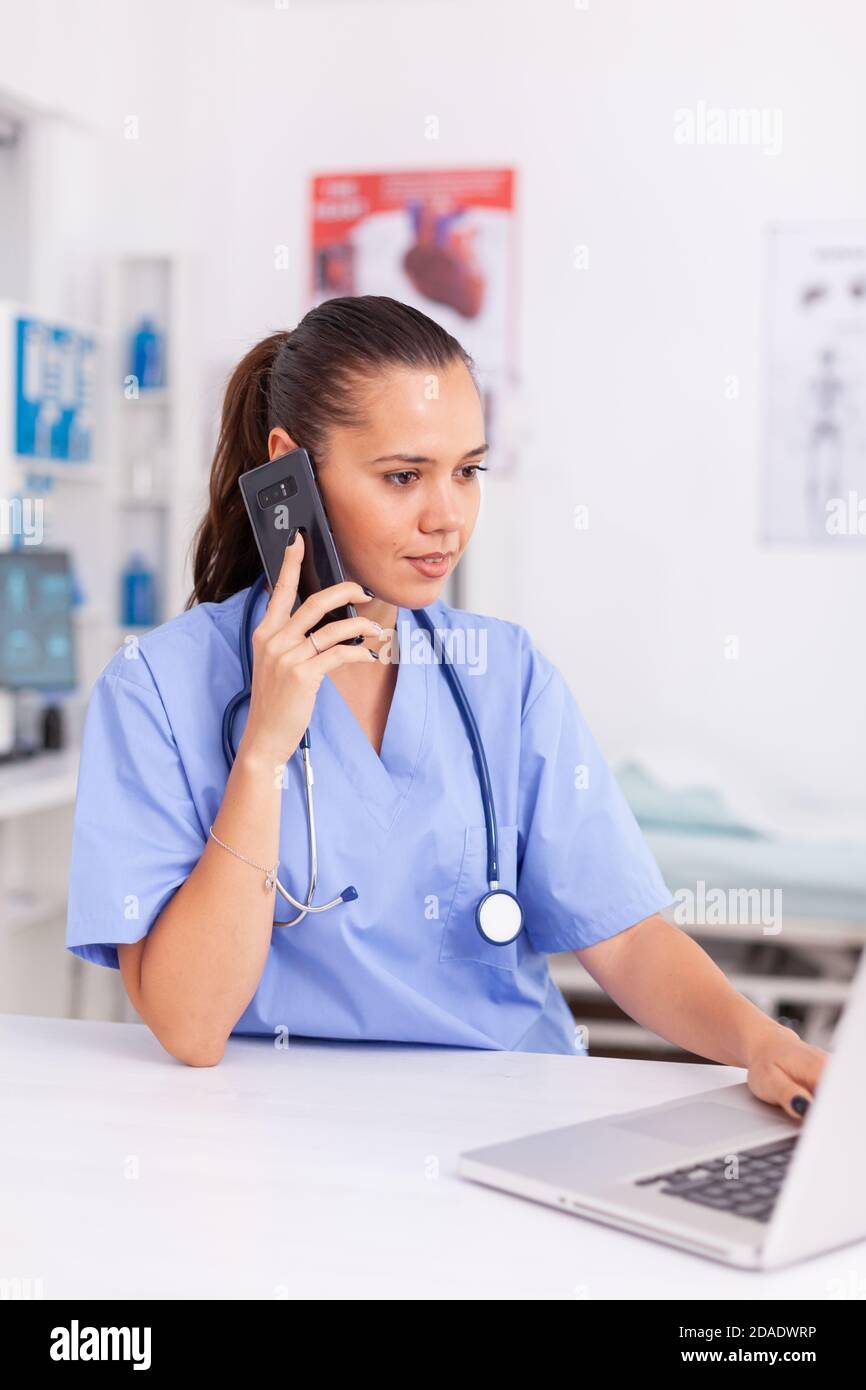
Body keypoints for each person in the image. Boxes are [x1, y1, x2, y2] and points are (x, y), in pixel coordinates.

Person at [66, 295, 827, 1120]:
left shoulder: (507, 673)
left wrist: (764, 1043)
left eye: (467, 471)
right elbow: (190, 1025)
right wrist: (263, 755)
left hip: (511, 1118)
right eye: (403, 476)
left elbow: (627, 938)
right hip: (276, 1135)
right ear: (289, 470)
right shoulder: (157, 688)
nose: (448, 517)